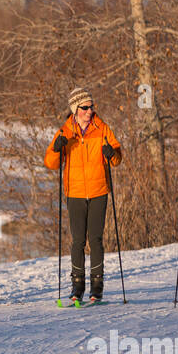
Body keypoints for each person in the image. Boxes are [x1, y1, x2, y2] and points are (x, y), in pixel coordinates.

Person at [43, 87, 122, 305]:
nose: (90, 110)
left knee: (95, 240)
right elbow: (50, 163)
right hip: (75, 192)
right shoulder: (65, 131)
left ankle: (97, 287)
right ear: (75, 109)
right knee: (78, 241)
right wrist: (57, 149)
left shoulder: (103, 129)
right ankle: (77, 286)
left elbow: (117, 159)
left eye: (91, 106)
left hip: (99, 191)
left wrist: (111, 154)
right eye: (85, 107)